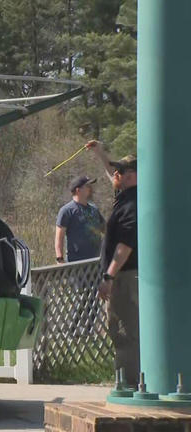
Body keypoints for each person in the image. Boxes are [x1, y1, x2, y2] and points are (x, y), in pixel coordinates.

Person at [86, 140, 139, 388]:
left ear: (133, 176)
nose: (114, 174)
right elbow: (112, 175)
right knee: (121, 329)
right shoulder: (126, 194)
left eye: (121, 171)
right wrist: (101, 154)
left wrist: (109, 277)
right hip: (123, 276)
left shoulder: (132, 204)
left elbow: (125, 247)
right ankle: (127, 381)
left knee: (125, 330)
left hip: (125, 277)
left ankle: (129, 385)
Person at [55, 175, 105, 263]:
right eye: (87, 186)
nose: (90, 189)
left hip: (97, 262)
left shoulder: (94, 210)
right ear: (78, 190)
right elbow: (59, 237)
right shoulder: (67, 211)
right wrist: (60, 259)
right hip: (76, 264)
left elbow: (106, 230)